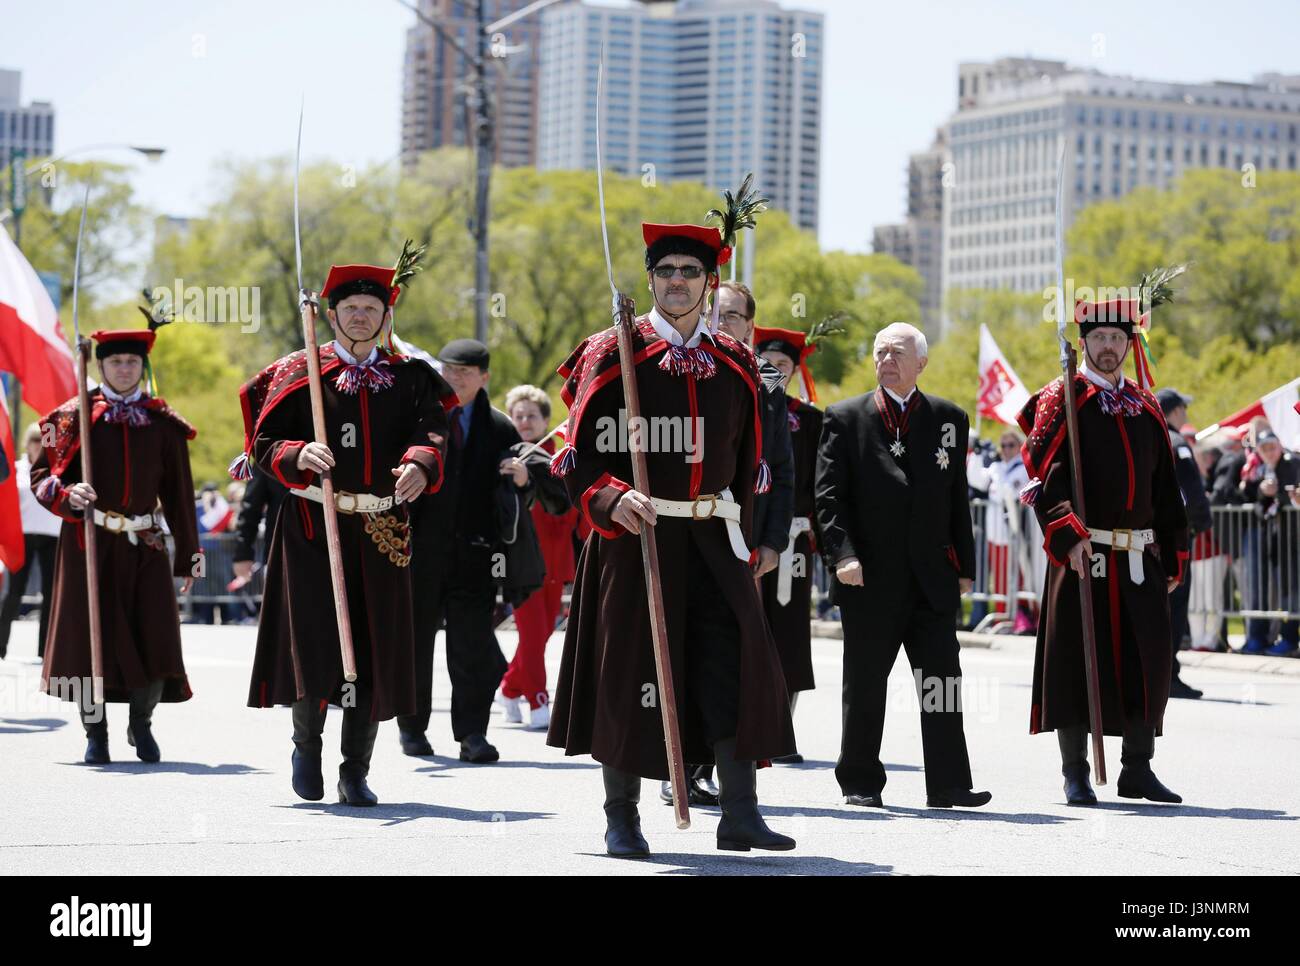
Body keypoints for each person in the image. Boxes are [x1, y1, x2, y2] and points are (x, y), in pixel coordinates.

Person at [547, 221, 797, 857]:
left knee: (734, 665)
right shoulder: (613, 351)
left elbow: (752, 461)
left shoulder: (736, 362)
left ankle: (739, 813)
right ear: (650, 280)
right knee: (631, 671)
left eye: (689, 272)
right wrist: (609, 495)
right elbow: (571, 455)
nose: (677, 282)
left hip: (715, 536)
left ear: (710, 283)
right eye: (665, 273)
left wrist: (756, 535)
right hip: (637, 535)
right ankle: (622, 818)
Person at [240, 260, 453, 805]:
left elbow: (433, 430)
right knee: (315, 643)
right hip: (314, 524)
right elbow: (263, 445)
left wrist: (421, 462)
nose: (361, 317)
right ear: (332, 315)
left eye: (371, 309)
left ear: (386, 316)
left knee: (373, 649)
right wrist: (296, 452)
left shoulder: (412, 376)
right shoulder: (298, 372)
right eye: (350, 309)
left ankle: (354, 769)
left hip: (383, 529)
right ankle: (305, 746)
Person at [1017, 297, 1188, 806]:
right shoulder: (1064, 397)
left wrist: (1174, 551)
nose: (1108, 347)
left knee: (1146, 660)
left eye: (1117, 338)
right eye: (1099, 339)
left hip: (1139, 558)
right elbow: (1043, 480)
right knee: (1075, 663)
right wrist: (1066, 536)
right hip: (1083, 556)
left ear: (1128, 343)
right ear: (1084, 343)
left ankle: (1138, 766)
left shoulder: (1147, 404)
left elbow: (1165, 486)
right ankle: (1075, 772)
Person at [816, 322, 990, 809]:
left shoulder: (949, 418)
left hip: (931, 577)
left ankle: (950, 783)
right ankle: (860, 781)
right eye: (880, 352)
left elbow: (957, 496)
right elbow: (829, 497)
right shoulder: (845, 418)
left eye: (897, 352)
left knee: (941, 682)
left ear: (922, 363)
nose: (886, 360)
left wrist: (965, 566)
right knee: (867, 682)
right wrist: (842, 554)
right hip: (868, 575)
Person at [31, 325, 200, 764]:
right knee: (91, 641)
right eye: (115, 362)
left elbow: (181, 496)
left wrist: (190, 559)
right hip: (90, 543)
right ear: (100, 366)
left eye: (132, 362)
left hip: (145, 544)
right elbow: (40, 476)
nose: (124, 369)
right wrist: (66, 495)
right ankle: (95, 732)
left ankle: (141, 725)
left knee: (156, 635)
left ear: (142, 368)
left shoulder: (164, 424)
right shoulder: (69, 418)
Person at [397, 338, 525, 764]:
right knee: (414, 641)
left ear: (484, 377)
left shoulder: (501, 427)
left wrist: (520, 478)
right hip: (419, 550)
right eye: (448, 370)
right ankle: (411, 728)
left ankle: (472, 734)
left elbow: (515, 497)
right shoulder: (422, 419)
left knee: (470, 646)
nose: (454, 378)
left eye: (464, 372)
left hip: (475, 552)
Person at [751, 319, 829, 763]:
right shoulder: (751, 403)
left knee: (790, 630)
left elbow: (821, 484)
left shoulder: (812, 419)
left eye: (784, 364)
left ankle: (784, 725)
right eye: (768, 362)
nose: (775, 369)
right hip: (751, 530)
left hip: (796, 539)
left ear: (796, 370)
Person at [496, 384, 577, 732]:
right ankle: (538, 700)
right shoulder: (503, 457)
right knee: (531, 634)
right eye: (518, 416)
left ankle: (509, 687)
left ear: (546, 420)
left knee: (543, 632)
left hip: (555, 559)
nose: (525, 421)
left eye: (532, 415)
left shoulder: (559, 458)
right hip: (522, 561)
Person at [1156, 388, 1210, 696]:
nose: (1185, 415)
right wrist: (1199, 526)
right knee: (1174, 606)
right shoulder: (1178, 444)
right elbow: (1193, 496)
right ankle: (1169, 675)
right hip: (1174, 538)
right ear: (1174, 411)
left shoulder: (1151, 439)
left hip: (1149, 538)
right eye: (1182, 409)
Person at [0, 424, 62, 660]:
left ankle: (45, 650)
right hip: (23, 535)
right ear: (27, 444)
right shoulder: (16, 470)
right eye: (34, 440)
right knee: (14, 592)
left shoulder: (57, 470)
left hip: (51, 535)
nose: (38, 444)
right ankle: (1, 646)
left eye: (42, 441)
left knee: (50, 594)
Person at [1235, 430, 1300, 654]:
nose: (1269, 452)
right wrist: (1263, 492)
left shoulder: (1290, 462)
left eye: (1272, 447)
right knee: (1285, 589)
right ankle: (1286, 637)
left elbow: (1292, 497)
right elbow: (1254, 500)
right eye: (1264, 449)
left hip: (1292, 537)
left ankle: (1290, 639)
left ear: (1280, 446)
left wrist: (1276, 493)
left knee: (1291, 589)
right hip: (1278, 537)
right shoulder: (1263, 468)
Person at [967, 428, 1037, 633]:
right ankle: (1002, 617)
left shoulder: (1023, 468)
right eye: (1003, 445)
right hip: (995, 531)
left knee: (1015, 577)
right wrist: (978, 455)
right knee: (998, 578)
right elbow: (976, 479)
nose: (1006, 449)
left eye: (1011, 445)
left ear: (1019, 446)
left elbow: (1016, 491)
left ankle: (1019, 617)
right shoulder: (997, 467)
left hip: (1015, 532)